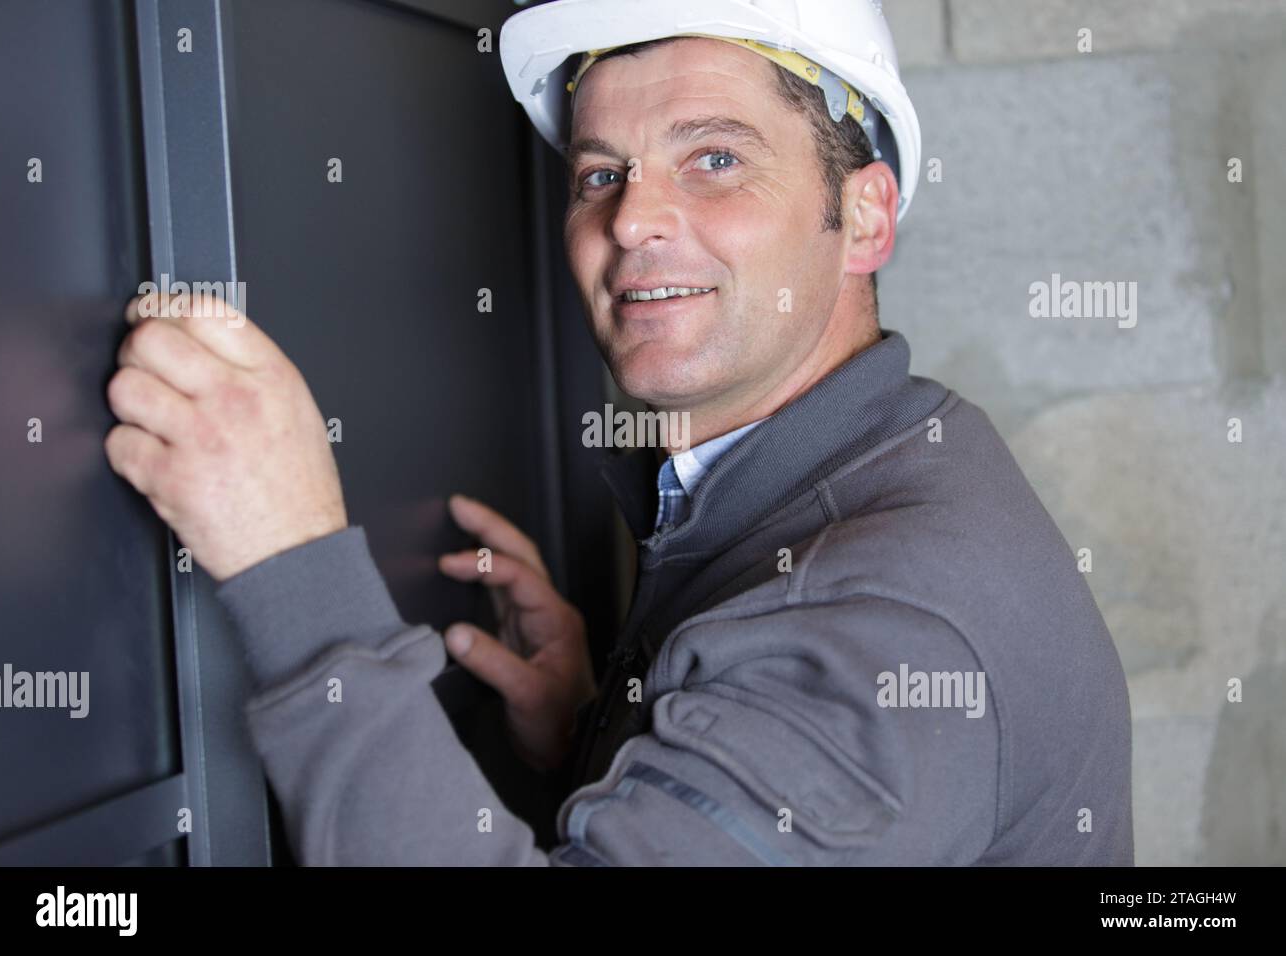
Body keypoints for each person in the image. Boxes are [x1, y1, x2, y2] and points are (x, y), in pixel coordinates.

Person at [103, 0, 1133, 865]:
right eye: (601, 173)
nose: (631, 219)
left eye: (714, 158)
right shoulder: (868, 462)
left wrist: (291, 562)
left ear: (864, 218)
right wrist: (597, 731)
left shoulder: (886, 633)